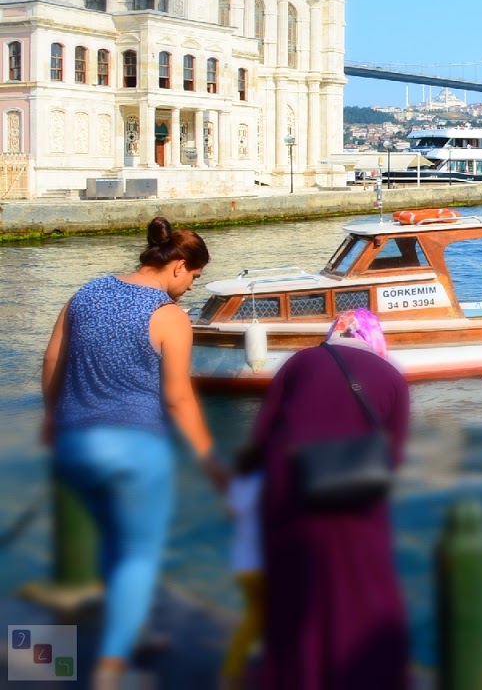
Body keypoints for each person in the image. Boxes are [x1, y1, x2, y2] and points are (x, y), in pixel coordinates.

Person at [41, 216, 229, 686]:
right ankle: (110, 666)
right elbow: (178, 398)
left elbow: (51, 361)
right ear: (179, 266)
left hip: (75, 444)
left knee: (112, 540)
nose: (190, 287)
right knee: (137, 555)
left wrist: (54, 419)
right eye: (195, 278)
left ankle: (126, 630)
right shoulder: (169, 316)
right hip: (134, 449)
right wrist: (209, 458)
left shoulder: (86, 293)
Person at [238, 308, 410, 689]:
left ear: (336, 331)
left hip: (290, 491)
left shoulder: (300, 363)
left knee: (295, 593)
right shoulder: (391, 378)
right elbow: (393, 456)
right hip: (357, 496)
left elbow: (264, 435)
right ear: (372, 337)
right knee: (362, 593)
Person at [220, 462, 264, 686]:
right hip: (262, 565)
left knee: (258, 616)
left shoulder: (240, 483)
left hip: (241, 565)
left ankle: (238, 668)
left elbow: (229, 512)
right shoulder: (268, 480)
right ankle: (232, 670)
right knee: (258, 617)